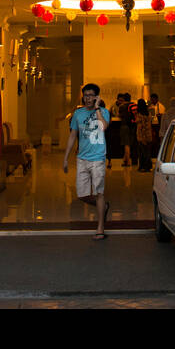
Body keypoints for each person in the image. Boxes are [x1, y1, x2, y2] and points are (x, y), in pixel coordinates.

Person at [62, 84, 110, 240]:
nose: (88, 98)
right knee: (82, 195)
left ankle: (100, 227)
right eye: (86, 95)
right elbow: (72, 135)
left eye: (91, 95)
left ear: (97, 97)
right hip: (82, 158)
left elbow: (103, 127)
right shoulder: (77, 114)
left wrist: (97, 109)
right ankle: (103, 207)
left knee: (99, 192)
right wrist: (66, 157)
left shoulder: (103, 112)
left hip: (98, 159)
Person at [134, 99, 154, 172]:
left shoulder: (139, 115)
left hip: (141, 135)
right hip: (148, 135)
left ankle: (143, 166)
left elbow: (142, 127)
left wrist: (143, 138)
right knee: (147, 151)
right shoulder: (148, 113)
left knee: (142, 152)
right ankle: (148, 166)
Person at [117, 93, 134, 167]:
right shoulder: (133, 105)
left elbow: (119, 116)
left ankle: (128, 161)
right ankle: (125, 159)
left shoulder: (122, 106)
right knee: (129, 143)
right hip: (132, 126)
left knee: (126, 144)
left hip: (124, 126)